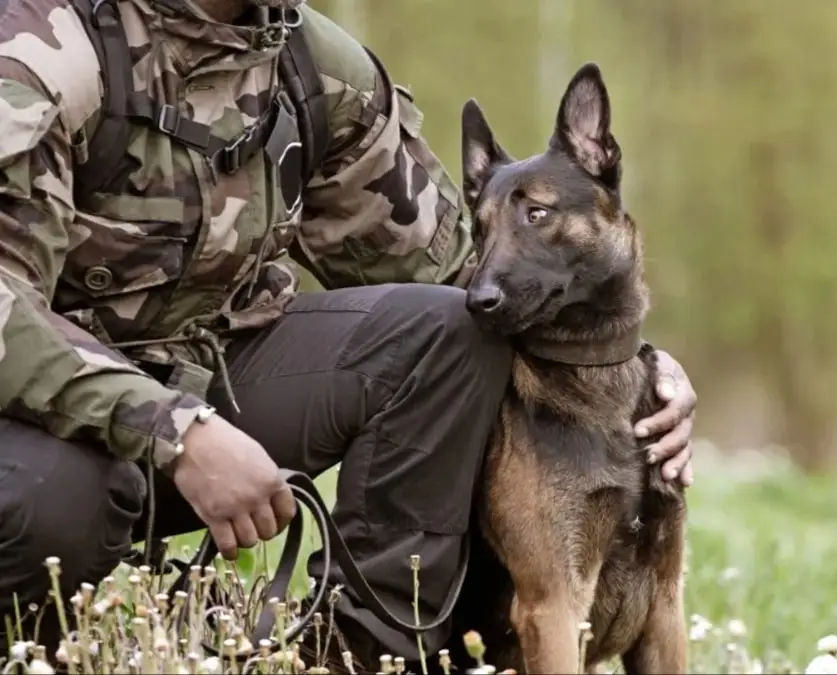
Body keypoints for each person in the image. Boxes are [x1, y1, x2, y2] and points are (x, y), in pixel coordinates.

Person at [0, 0, 698, 666]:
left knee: (445, 334)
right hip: (42, 421)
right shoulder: (43, 48)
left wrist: (634, 369)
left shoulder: (311, 66)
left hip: (213, 377)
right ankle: (41, 651)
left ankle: (365, 657)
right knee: (58, 498)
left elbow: (476, 280)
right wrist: (176, 429)